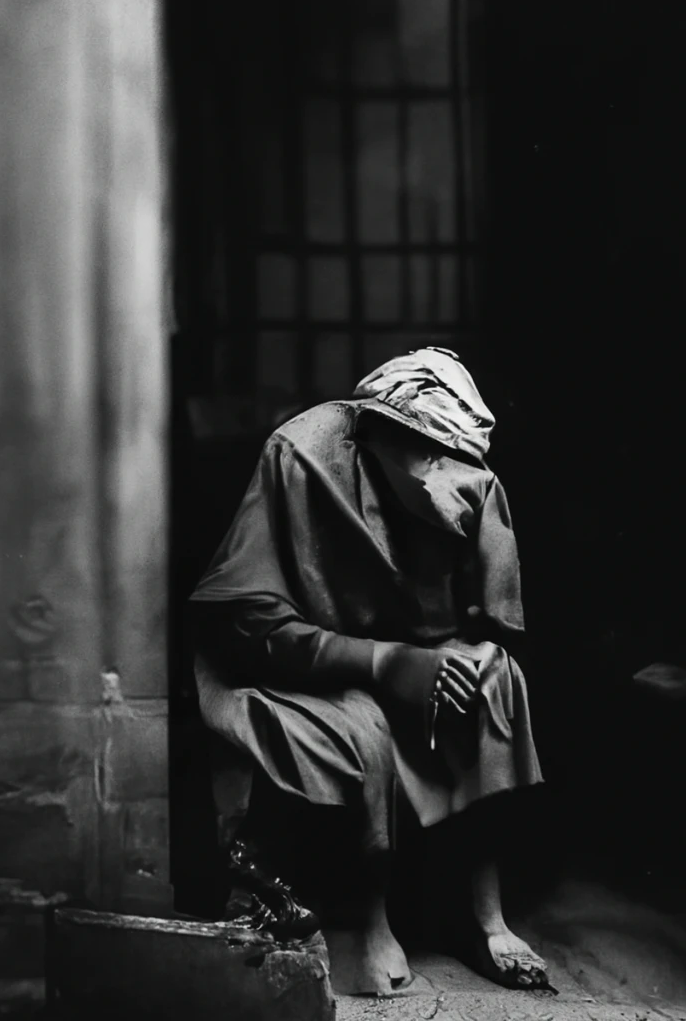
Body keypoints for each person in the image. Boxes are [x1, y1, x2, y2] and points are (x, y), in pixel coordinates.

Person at [189, 347, 548, 994]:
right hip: (311, 668)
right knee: (364, 728)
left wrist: (460, 654)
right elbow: (245, 623)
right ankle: (371, 918)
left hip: (422, 653)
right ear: (380, 430)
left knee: (497, 678)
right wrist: (385, 662)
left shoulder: (471, 477)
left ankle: (485, 914)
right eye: (430, 452)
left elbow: (494, 617)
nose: (448, 470)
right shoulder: (298, 455)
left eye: (459, 456)